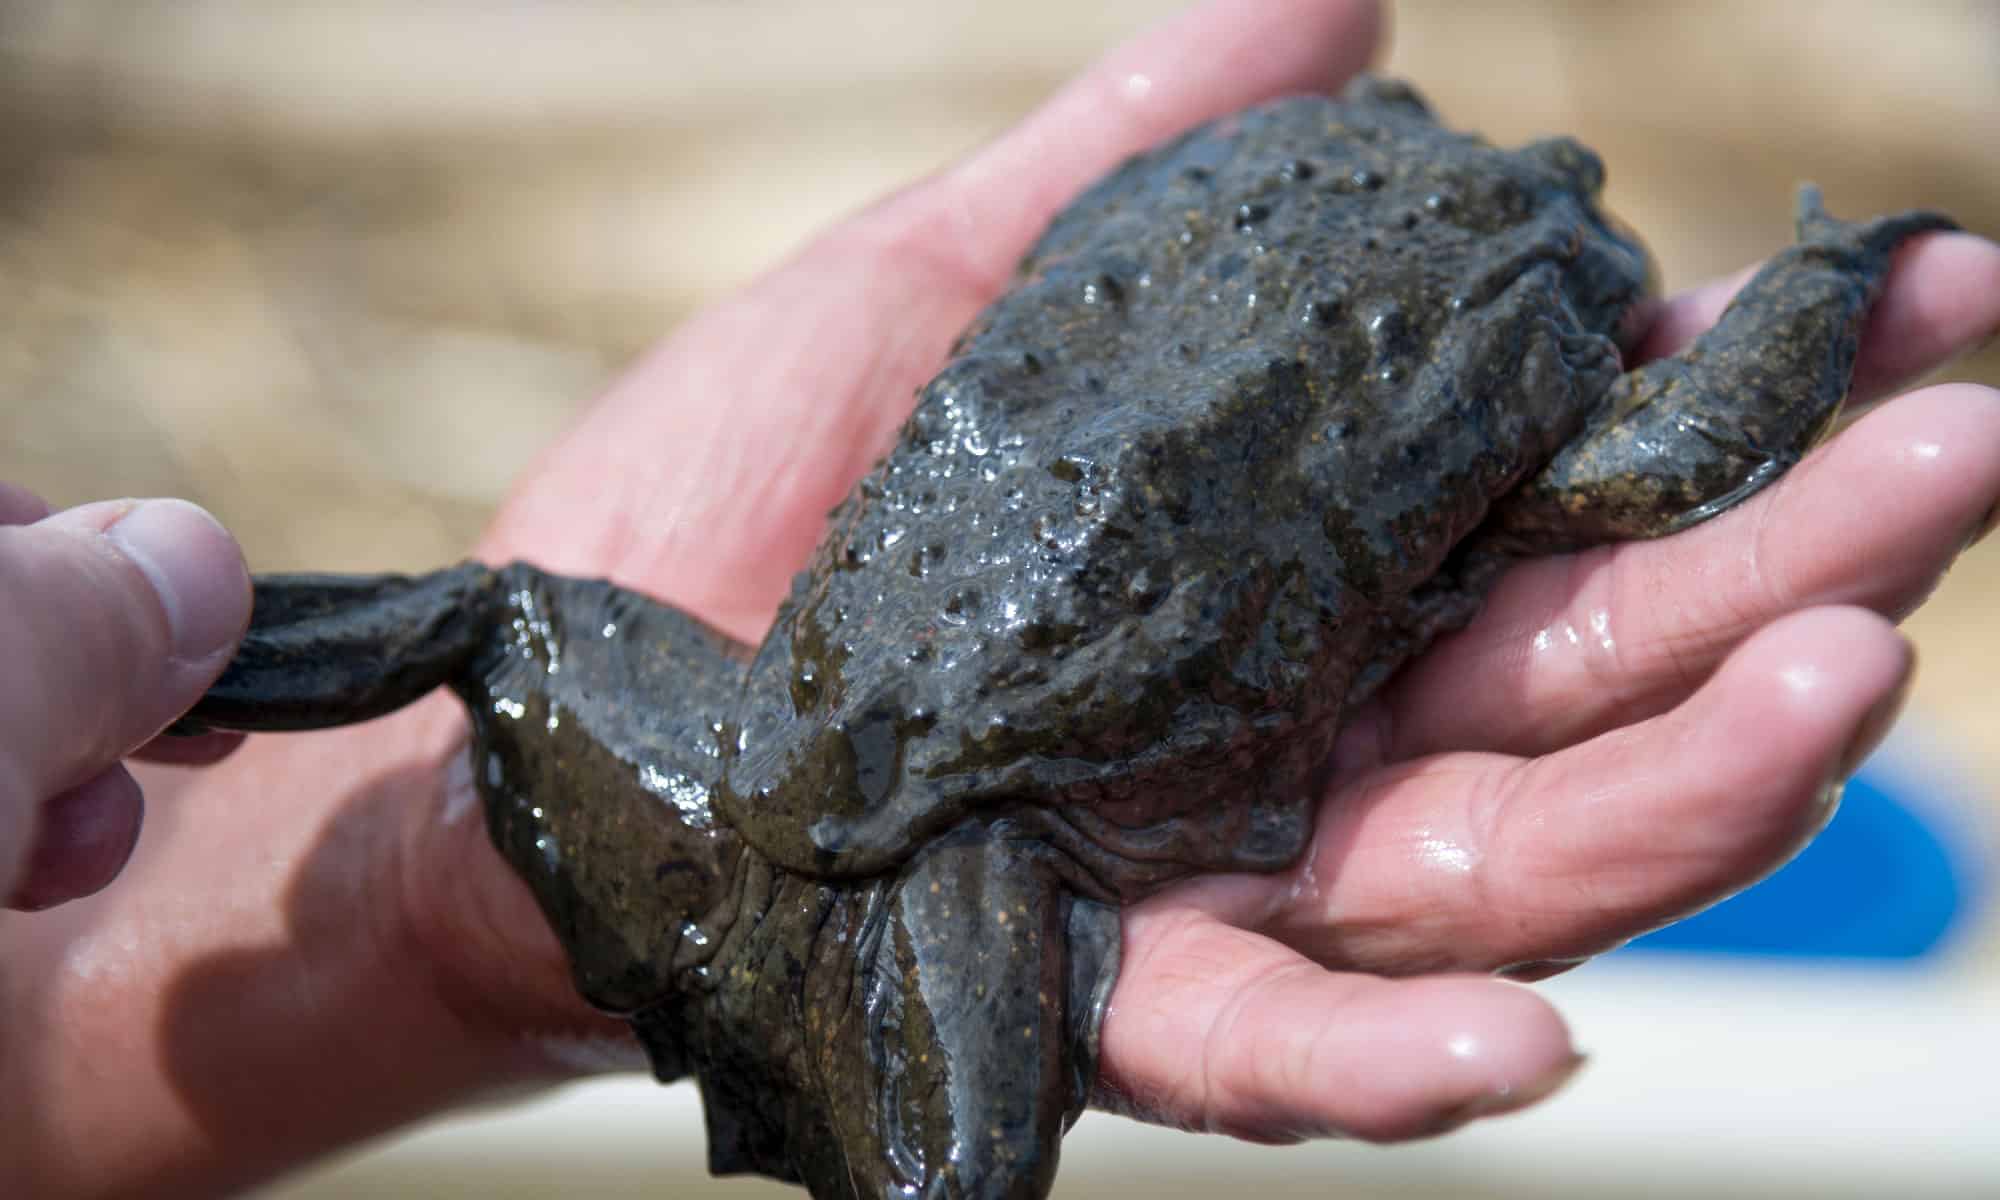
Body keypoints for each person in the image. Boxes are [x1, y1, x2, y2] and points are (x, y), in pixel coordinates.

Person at [5, 0, 1999, 1193]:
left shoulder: (1293, 196)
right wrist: (1827, 273)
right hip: (969, 790)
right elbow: (1673, 454)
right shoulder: (1535, 327)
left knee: (500, 617)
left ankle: (195, 666)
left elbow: (1093, 244)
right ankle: (176, 663)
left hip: (875, 734)